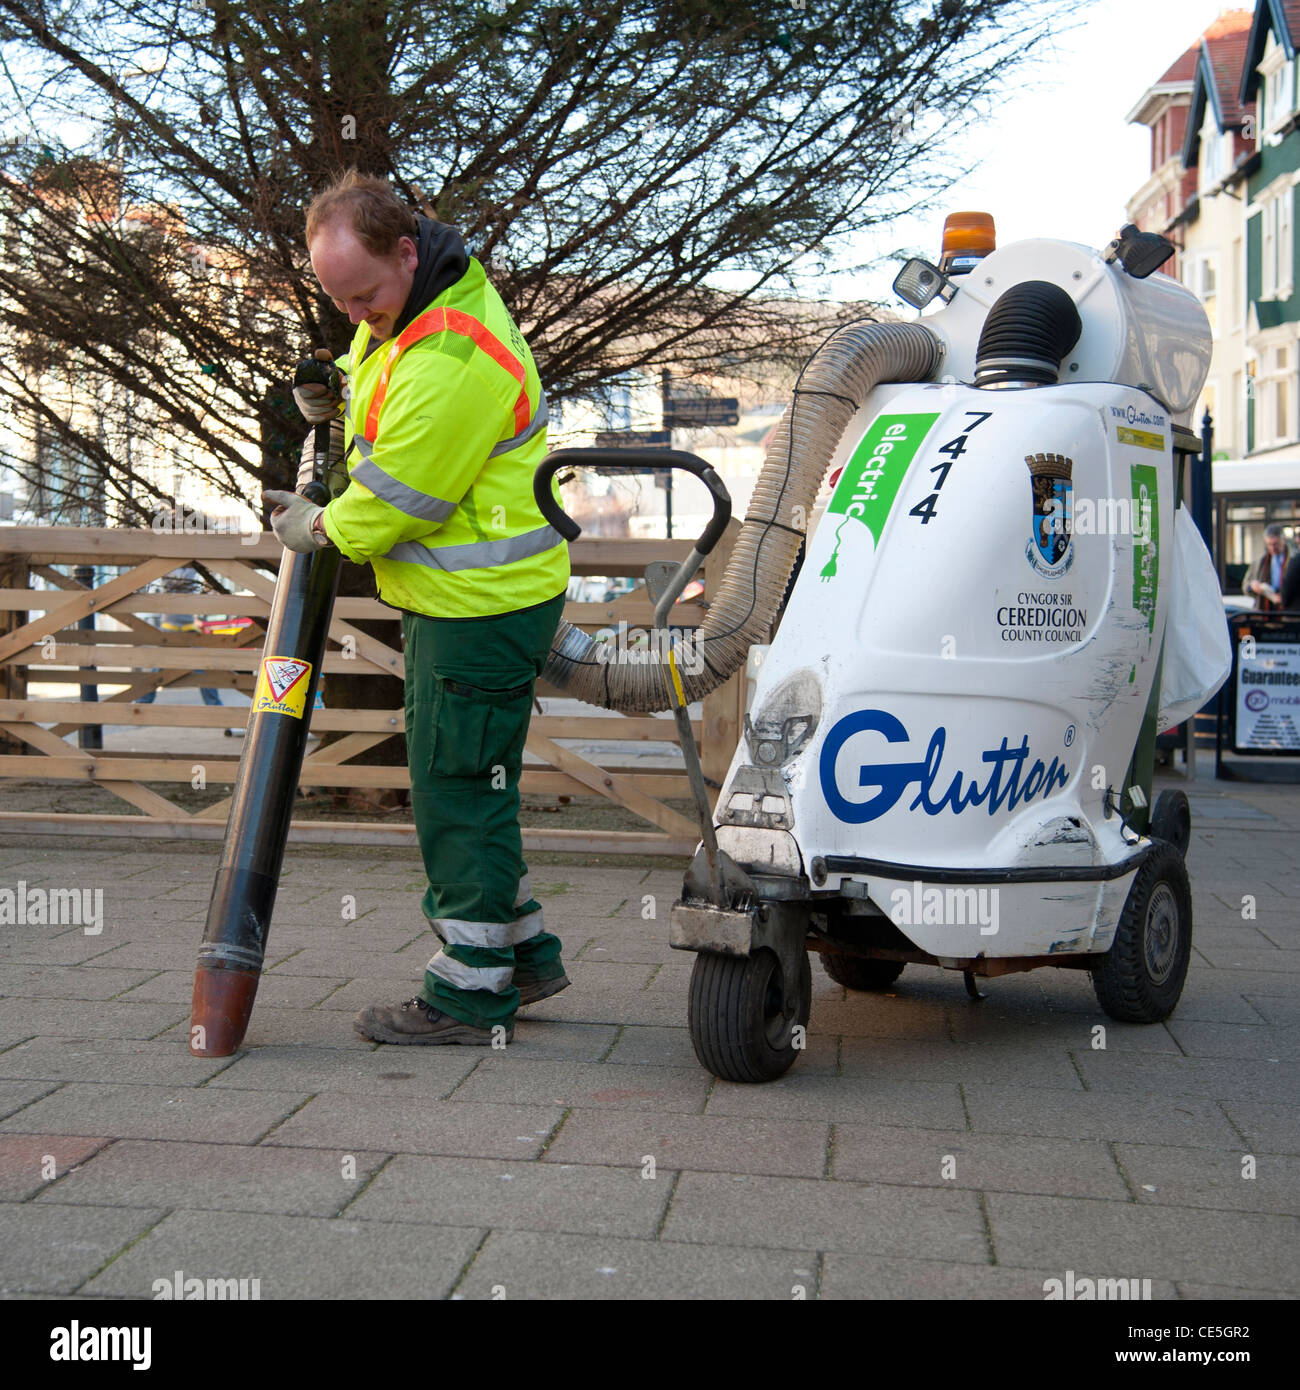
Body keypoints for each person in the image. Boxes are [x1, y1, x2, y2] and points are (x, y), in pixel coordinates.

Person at [264, 170, 571, 1046]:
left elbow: (402, 497)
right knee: (475, 787)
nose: (356, 313)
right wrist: (333, 398)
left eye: (363, 294)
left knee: (456, 796)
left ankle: (472, 994)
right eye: (339, 299)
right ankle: (525, 954)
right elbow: (388, 411)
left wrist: (318, 526)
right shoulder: (411, 313)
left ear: (406, 250)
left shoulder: (452, 352)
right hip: (470, 601)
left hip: (477, 609)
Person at [1242, 523, 1296, 612]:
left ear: (1284, 541)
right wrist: (1252, 587)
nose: (1272, 548)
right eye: (1269, 544)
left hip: (1288, 612)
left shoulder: (1294, 560)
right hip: (1264, 612)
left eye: (1275, 544)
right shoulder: (1259, 562)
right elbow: (1245, 585)